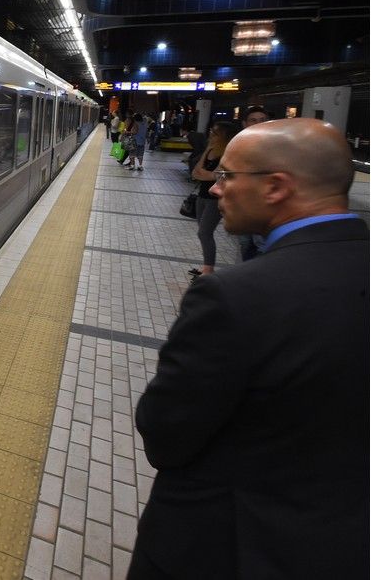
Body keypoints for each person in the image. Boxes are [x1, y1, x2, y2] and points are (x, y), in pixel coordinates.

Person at [129, 118, 367, 579]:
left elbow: (164, 432)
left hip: (220, 548)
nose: (217, 189)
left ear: (276, 187)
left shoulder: (234, 297)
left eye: (227, 177)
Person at [187, 122, 237, 278]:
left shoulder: (227, 156)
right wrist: (204, 169)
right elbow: (196, 173)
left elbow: (211, 176)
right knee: (202, 232)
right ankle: (206, 267)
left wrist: (205, 174)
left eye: (215, 133)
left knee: (204, 232)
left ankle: (208, 270)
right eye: (211, 131)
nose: (211, 135)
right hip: (202, 196)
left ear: (224, 136)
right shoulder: (209, 150)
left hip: (215, 199)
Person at [237, 105, 271, 260]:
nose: (258, 123)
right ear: (245, 124)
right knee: (245, 243)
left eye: (262, 120)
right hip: (243, 203)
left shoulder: (275, 144)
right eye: (253, 120)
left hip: (265, 204)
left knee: (262, 244)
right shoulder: (238, 145)